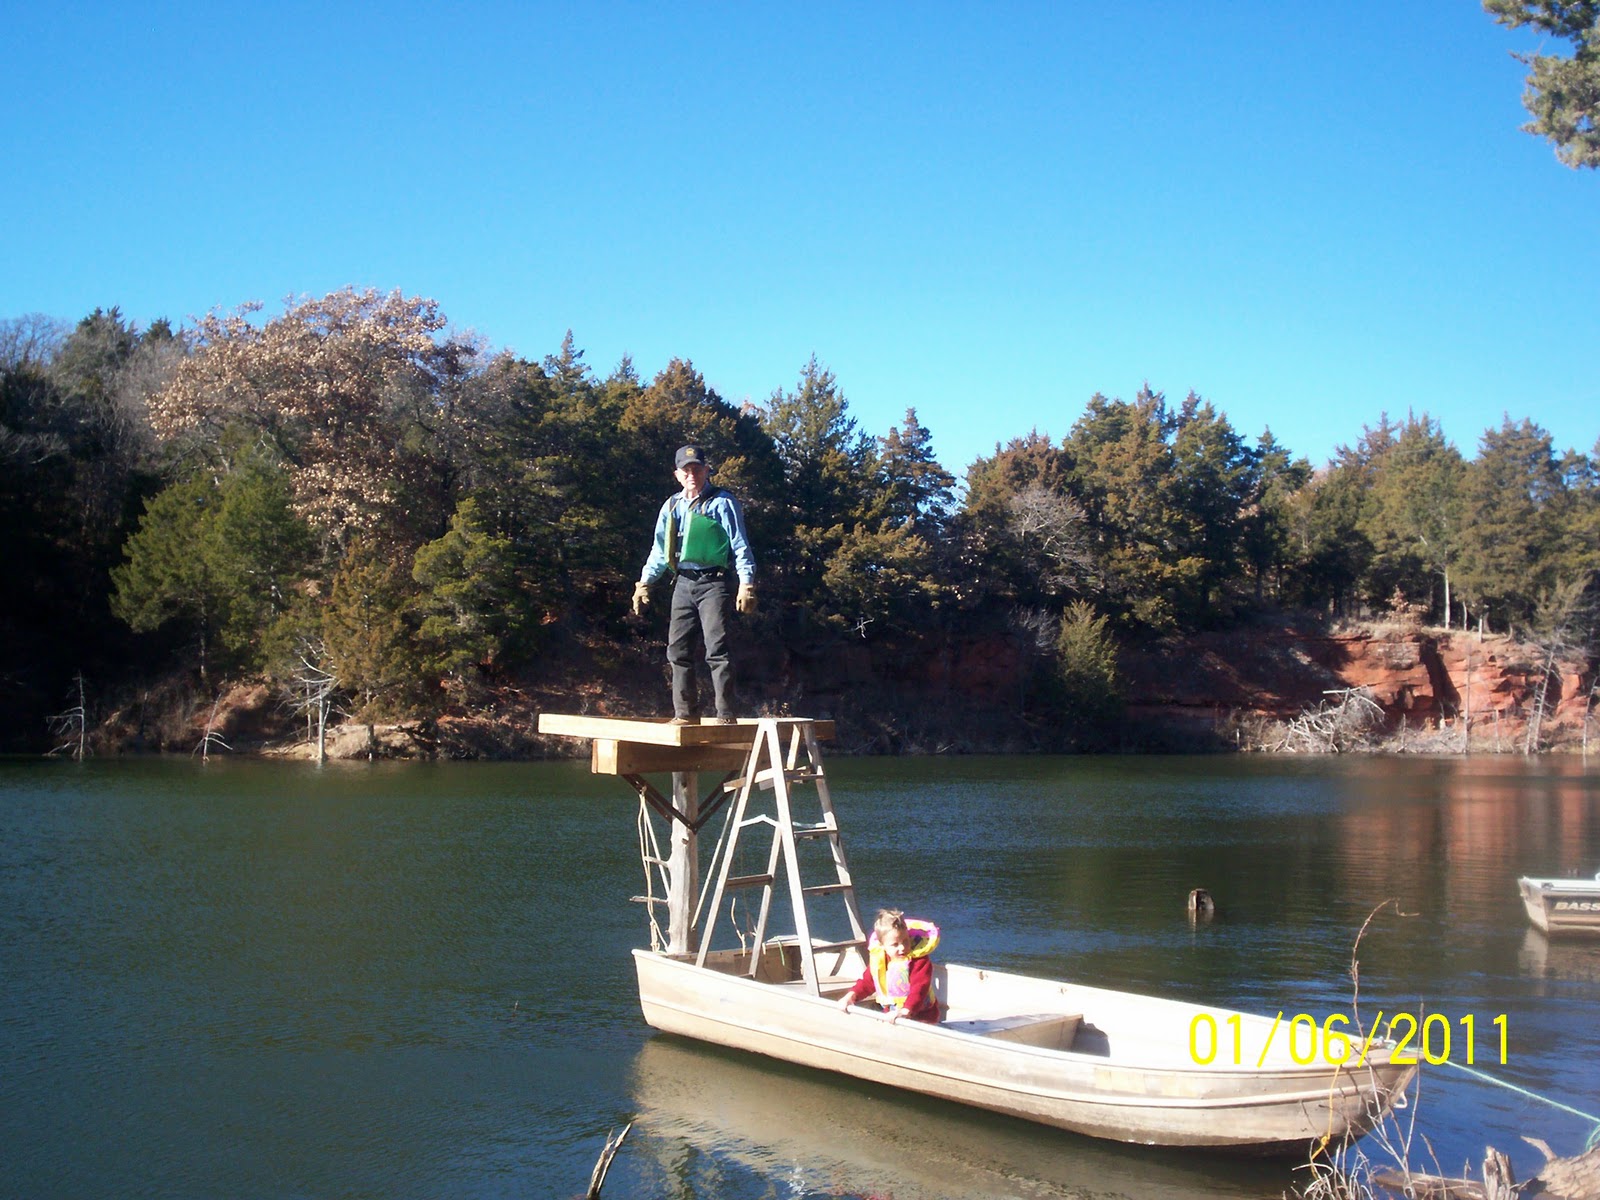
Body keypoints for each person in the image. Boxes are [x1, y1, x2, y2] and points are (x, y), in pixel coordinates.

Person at [631, 444, 757, 725]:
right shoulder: (671, 506)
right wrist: (645, 583)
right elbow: (660, 550)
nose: (692, 474)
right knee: (677, 650)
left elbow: (740, 544)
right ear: (677, 474)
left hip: (715, 583)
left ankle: (725, 714)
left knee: (717, 649)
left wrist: (746, 584)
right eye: (686, 470)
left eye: (697, 468)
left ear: (706, 470)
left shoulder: (723, 502)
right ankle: (685, 715)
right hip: (683, 583)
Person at [837, 909, 941, 1023]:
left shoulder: (919, 961)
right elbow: (867, 982)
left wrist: (906, 1010)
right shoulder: (880, 961)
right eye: (895, 944)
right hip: (892, 1014)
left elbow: (919, 988)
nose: (902, 948)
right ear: (882, 945)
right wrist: (851, 996)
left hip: (922, 1017)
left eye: (905, 941)